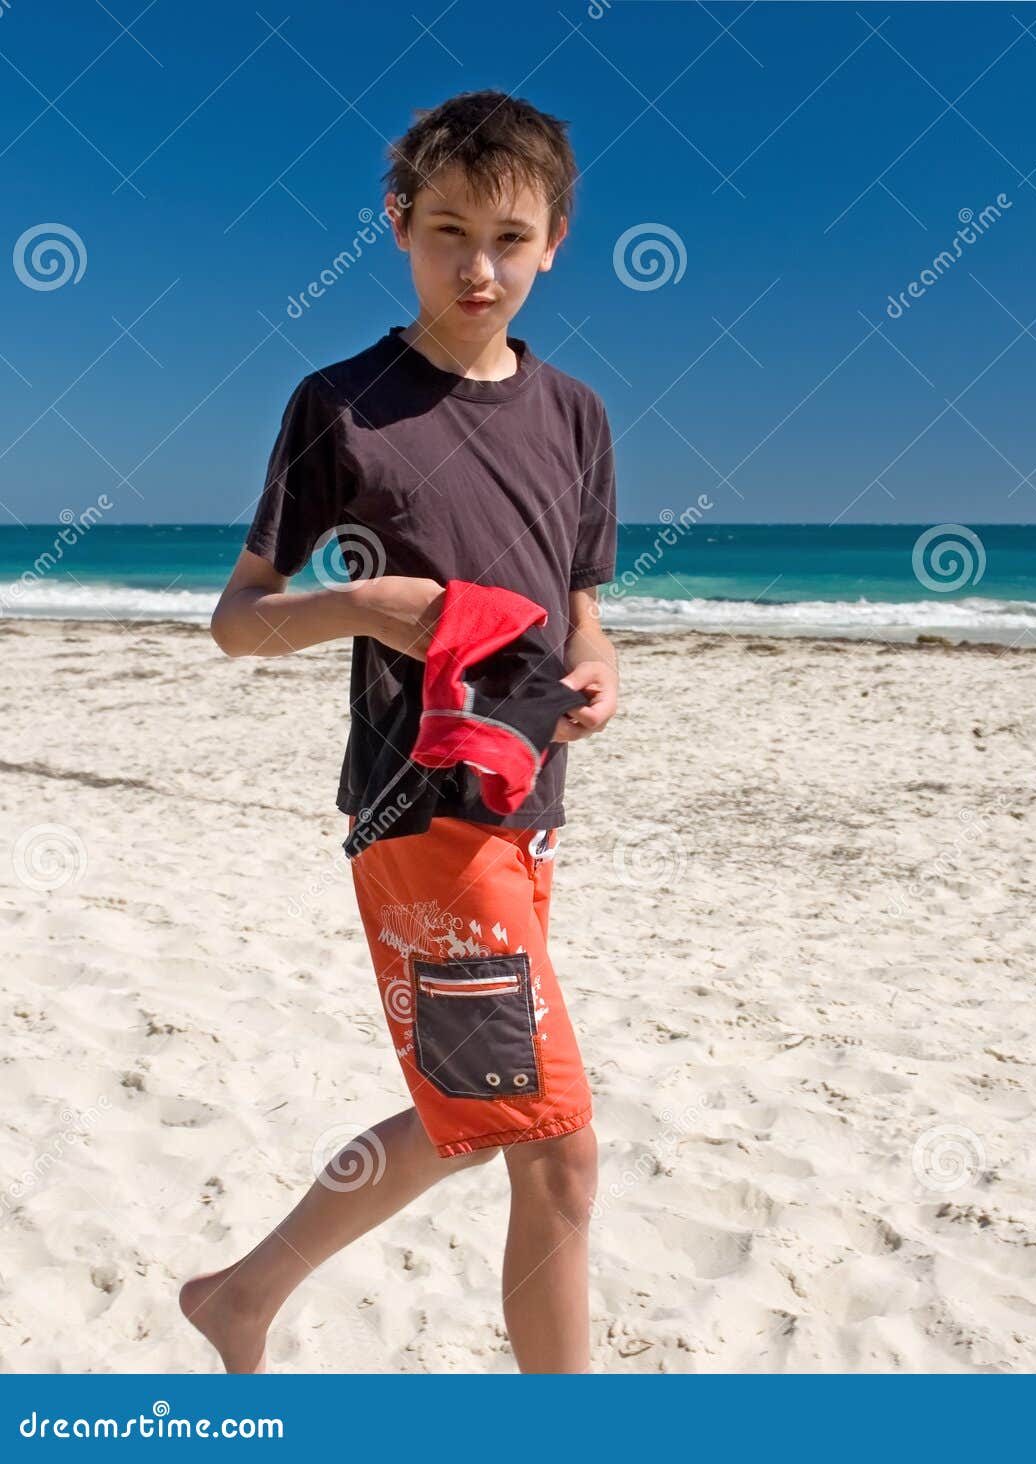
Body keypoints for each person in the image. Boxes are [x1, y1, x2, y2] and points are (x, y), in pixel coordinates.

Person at [181, 89, 619, 1375]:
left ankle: (242, 1296)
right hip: (419, 812)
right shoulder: (342, 404)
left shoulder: (577, 415)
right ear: (397, 226)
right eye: (447, 233)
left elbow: (582, 615)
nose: (479, 267)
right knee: (558, 1153)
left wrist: (598, 671)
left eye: (510, 238)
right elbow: (238, 620)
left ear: (554, 244)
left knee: (483, 1113)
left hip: (526, 805)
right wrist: (363, 607)